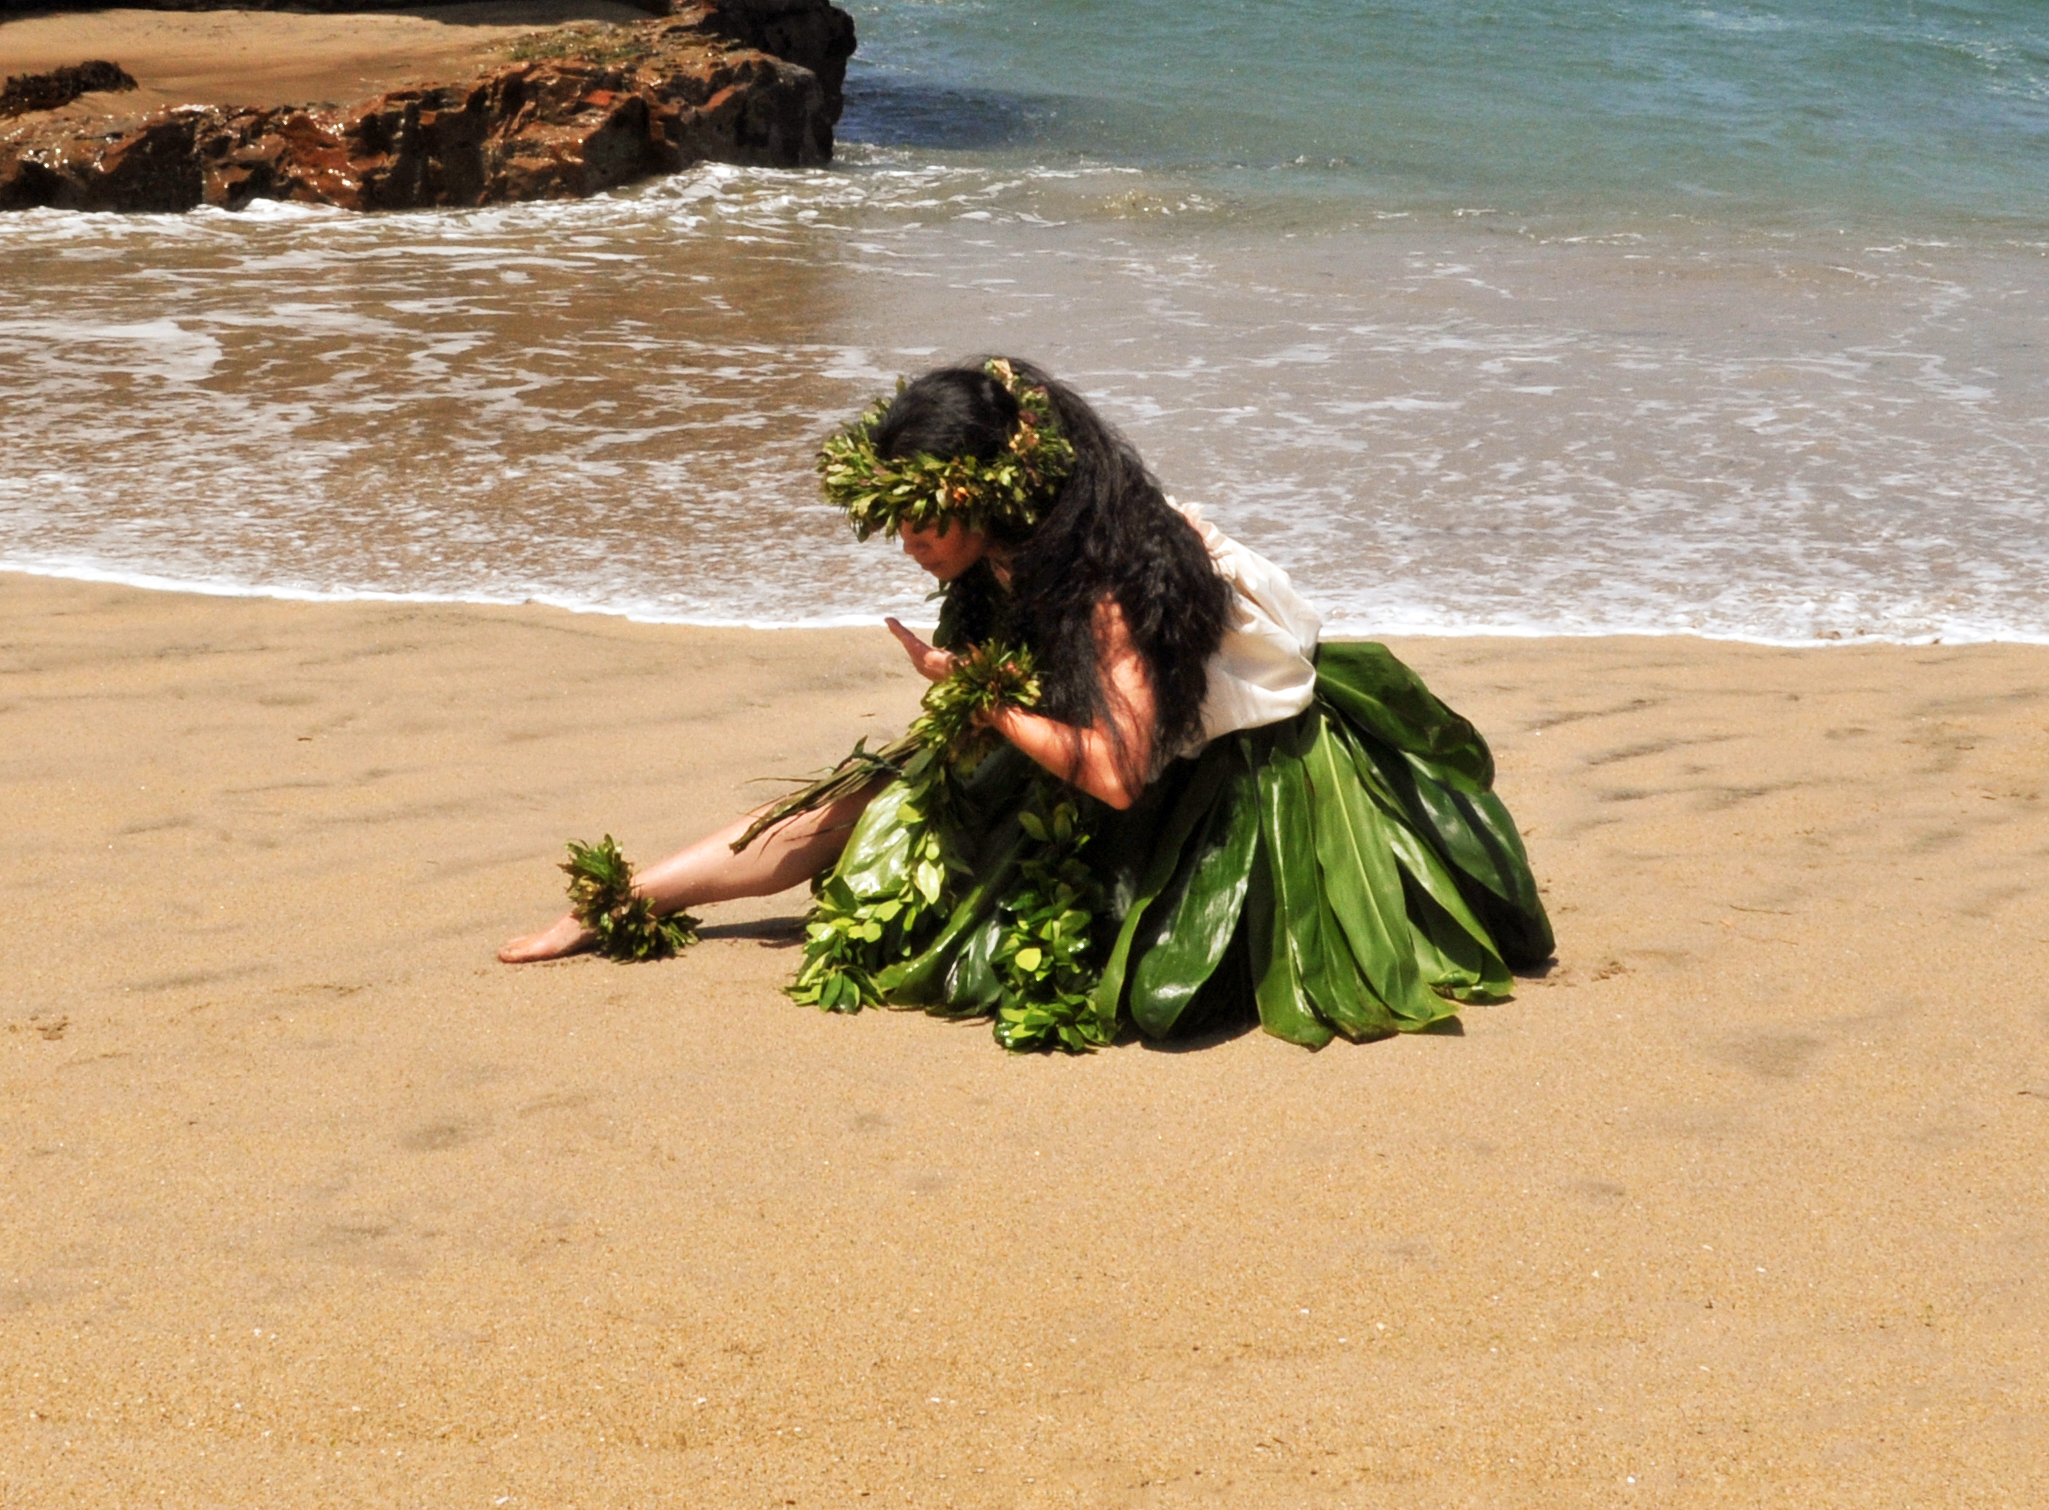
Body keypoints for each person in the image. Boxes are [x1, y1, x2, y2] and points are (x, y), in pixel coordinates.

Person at [499, 357, 1552, 1050]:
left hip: (1237, 769)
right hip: (1088, 725)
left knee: (1112, 959)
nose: (905, 539)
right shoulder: (1001, 559)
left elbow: (1115, 772)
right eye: (892, 515)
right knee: (882, 796)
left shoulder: (1102, 587)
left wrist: (980, 700)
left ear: (993, 493)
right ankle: (627, 900)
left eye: (925, 514)